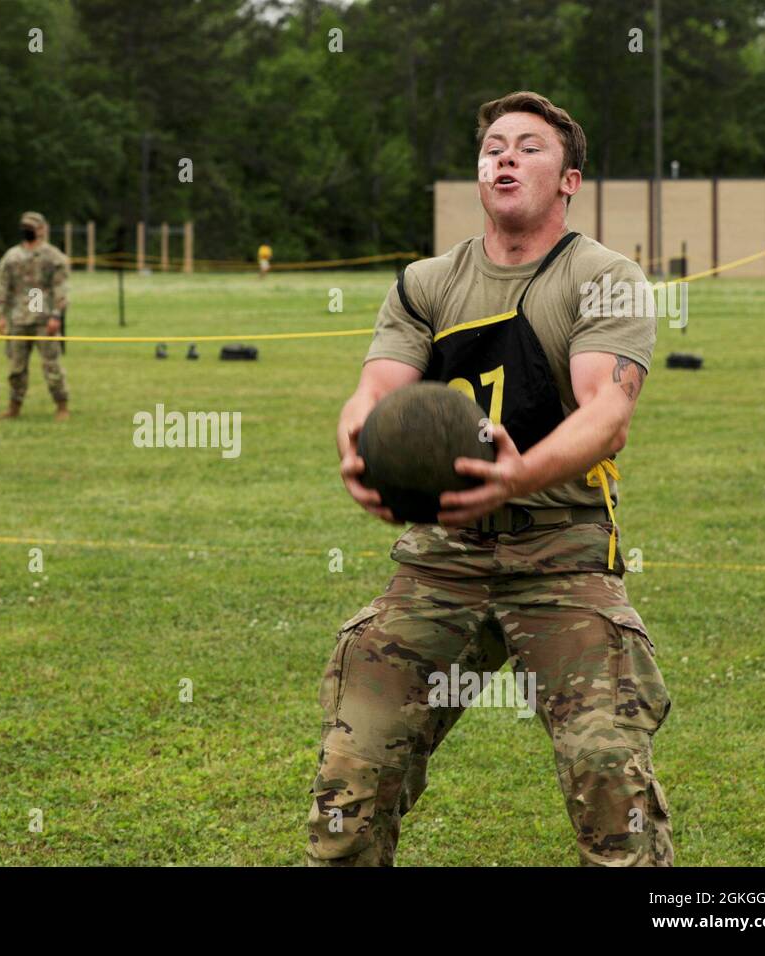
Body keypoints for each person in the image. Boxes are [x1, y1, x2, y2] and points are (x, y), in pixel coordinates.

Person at [307, 91, 672, 867]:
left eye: (529, 147)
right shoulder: (425, 282)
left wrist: (518, 475)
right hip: (443, 557)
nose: (504, 156)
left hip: (562, 554)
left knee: (608, 768)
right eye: (494, 146)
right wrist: (356, 439)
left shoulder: (605, 276)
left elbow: (606, 410)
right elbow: (375, 391)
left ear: (570, 179)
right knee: (352, 774)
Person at [0, 211, 70, 421]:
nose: (28, 230)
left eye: (33, 227)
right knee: (16, 366)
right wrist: (0, 316)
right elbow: (3, 288)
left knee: (51, 365)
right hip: (18, 319)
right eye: (25, 226)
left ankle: (62, 405)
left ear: (42, 229)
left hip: (43, 319)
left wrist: (56, 315)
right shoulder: (12, 257)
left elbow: (60, 288)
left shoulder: (53, 257)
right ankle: (14, 407)